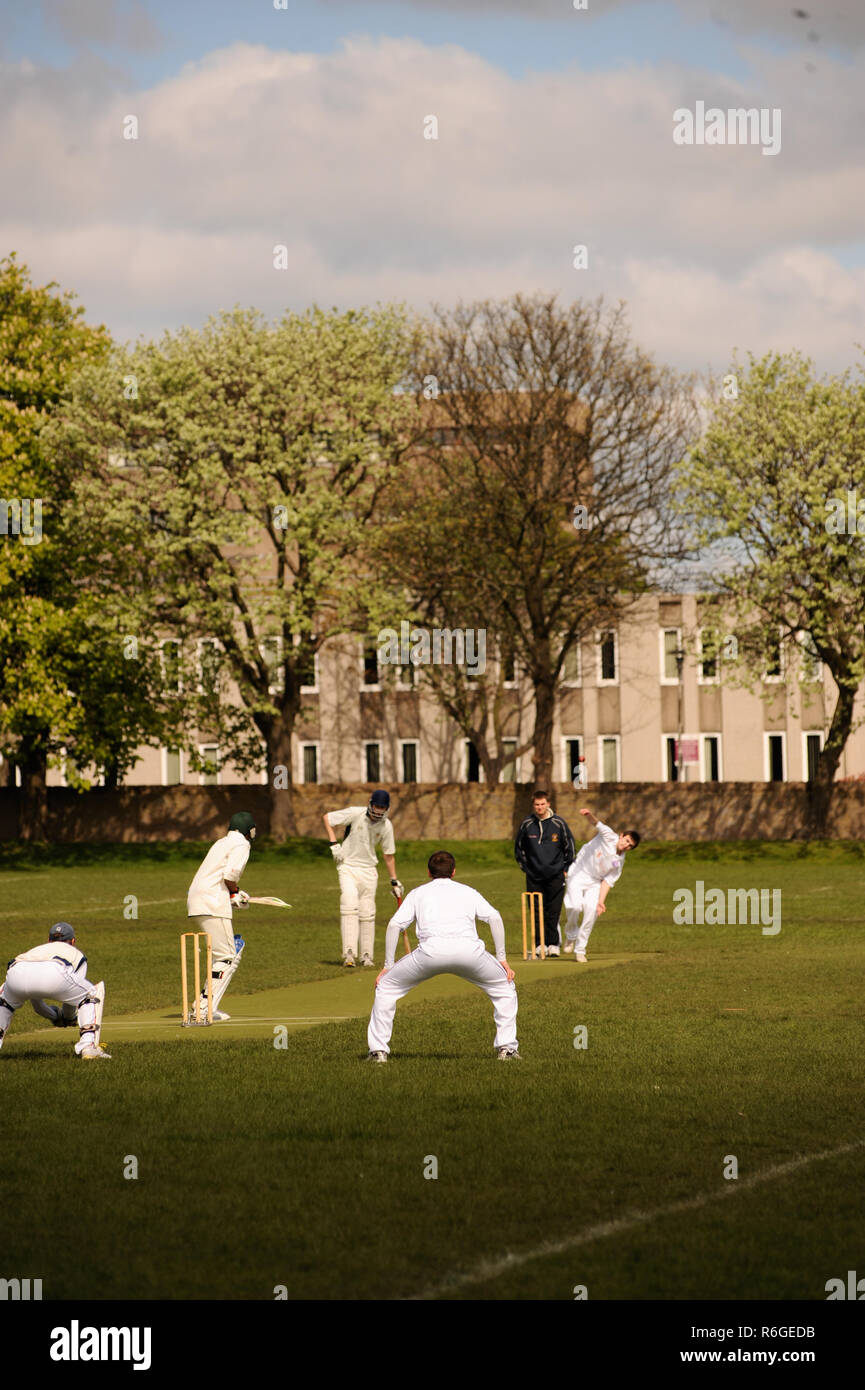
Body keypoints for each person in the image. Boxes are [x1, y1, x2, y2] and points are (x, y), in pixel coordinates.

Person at [366, 850, 519, 1062]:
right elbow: (494, 917)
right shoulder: (468, 891)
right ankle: (507, 1049)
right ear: (454, 872)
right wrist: (502, 959)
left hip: (430, 953)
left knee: (386, 987)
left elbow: (394, 925)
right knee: (504, 988)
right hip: (470, 953)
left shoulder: (418, 893)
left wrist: (388, 966)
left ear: (429, 872)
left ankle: (378, 1052)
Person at [0, 921, 110, 1059]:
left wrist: (54, 1016)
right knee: (89, 994)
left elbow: (35, 999)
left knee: (4, 1002)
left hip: (16, 972)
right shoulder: (76, 954)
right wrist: (67, 1018)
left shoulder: (37, 949)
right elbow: (73, 999)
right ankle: (88, 1047)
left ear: (49, 940)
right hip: (54, 972)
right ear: (73, 941)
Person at [186, 810, 256, 1021]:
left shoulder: (221, 842)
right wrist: (234, 892)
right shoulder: (242, 844)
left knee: (224, 953)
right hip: (212, 902)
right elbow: (230, 874)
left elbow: (219, 876)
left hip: (199, 900)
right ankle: (204, 1008)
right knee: (227, 956)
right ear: (249, 831)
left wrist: (233, 895)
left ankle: (203, 1005)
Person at [323, 789, 404, 968]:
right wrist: (333, 843)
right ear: (370, 804)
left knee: (367, 911)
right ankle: (349, 953)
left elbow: (388, 854)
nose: (379, 810)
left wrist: (394, 880)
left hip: (369, 870)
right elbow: (327, 818)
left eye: (382, 807)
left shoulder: (386, 826)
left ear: (387, 808)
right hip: (347, 866)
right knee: (349, 903)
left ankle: (367, 955)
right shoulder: (355, 813)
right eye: (377, 806)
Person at [563, 807, 640, 961]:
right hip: (578, 872)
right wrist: (588, 814)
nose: (626, 845)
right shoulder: (609, 836)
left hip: (595, 882)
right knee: (574, 906)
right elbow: (596, 823)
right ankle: (571, 935)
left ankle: (580, 950)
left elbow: (608, 881)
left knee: (591, 911)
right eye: (626, 840)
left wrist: (601, 902)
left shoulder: (619, 861)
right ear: (621, 836)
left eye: (630, 845)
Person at [513, 789, 576, 956]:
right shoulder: (527, 824)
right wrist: (526, 868)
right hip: (534, 875)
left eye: (542, 804)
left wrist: (564, 869)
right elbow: (519, 849)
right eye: (536, 805)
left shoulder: (559, 823)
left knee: (553, 910)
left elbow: (570, 847)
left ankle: (553, 944)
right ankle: (539, 944)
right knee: (536, 910)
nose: (539, 807)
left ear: (548, 804)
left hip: (555, 874)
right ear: (533, 805)